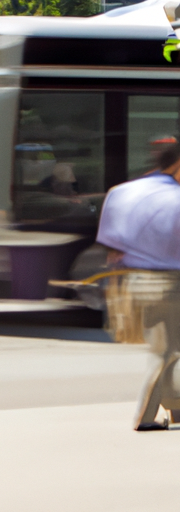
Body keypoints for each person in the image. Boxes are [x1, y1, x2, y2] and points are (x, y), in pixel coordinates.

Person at [96, 142, 180, 430]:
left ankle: (177, 409)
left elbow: (111, 246)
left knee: (167, 345)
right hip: (169, 282)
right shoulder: (176, 198)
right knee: (167, 351)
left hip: (133, 283)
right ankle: (144, 416)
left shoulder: (121, 192)